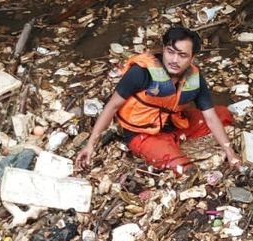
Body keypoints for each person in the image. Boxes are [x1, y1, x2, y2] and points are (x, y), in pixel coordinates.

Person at [74, 25, 241, 175]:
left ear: (192, 58)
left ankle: (175, 143)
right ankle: (170, 149)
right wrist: (90, 145)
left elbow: (210, 117)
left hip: (175, 125)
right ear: (163, 49)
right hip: (142, 134)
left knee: (224, 115)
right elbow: (112, 106)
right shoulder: (141, 72)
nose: (174, 60)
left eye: (182, 55)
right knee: (183, 168)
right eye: (170, 52)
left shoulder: (195, 78)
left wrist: (230, 153)